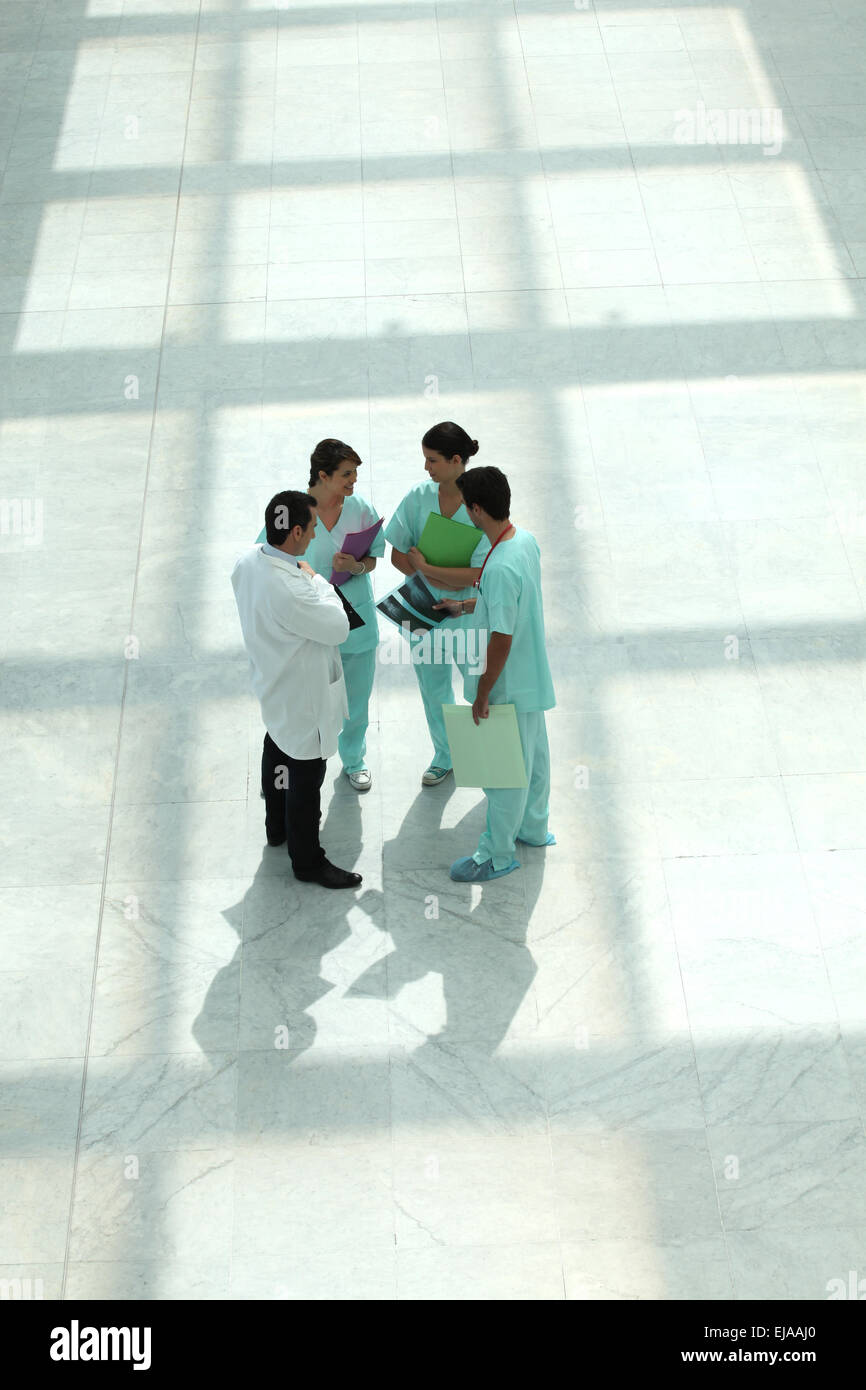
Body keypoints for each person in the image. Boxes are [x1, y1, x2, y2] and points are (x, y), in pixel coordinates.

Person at [232, 489, 362, 890]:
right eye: (311, 527)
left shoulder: (248, 561)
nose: (316, 533)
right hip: (304, 694)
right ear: (296, 533)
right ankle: (307, 861)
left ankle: (276, 827)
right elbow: (338, 627)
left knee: (277, 747)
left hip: (272, 680)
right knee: (306, 774)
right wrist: (317, 579)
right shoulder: (293, 588)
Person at [434, 466, 555, 883]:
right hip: (531, 677)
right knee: (535, 759)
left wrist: (483, 692)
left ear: (478, 509)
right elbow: (507, 605)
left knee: (505, 773)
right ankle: (534, 829)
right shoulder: (523, 542)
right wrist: (466, 606)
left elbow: (501, 639)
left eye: (467, 505)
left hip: (507, 684)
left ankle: (496, 855)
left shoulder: (501, 564)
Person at [257, 440, 383, 792]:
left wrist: (358, 565)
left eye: (356, 472)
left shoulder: (359, 508)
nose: (354, 480)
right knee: (304, 705)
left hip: (355, 621)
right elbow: (265, 555)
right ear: (322, 475)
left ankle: (354, 760)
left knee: (356, 702)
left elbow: (373, 556)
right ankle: (294, 771)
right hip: (308, 627)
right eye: (346, 474)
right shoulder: (292, 509)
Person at [384, 422, 490, 786]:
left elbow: (482, 572)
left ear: (457, 460)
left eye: (432, 460)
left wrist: (427, 569)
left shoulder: (481, 501)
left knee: (478, 686)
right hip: (421, 608)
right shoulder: (418, 496)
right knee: (433, 688)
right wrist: (428, 574)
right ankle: (445, 754)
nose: (426, 468)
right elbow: (397, 554)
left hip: (466, 612)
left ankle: (490, 755)